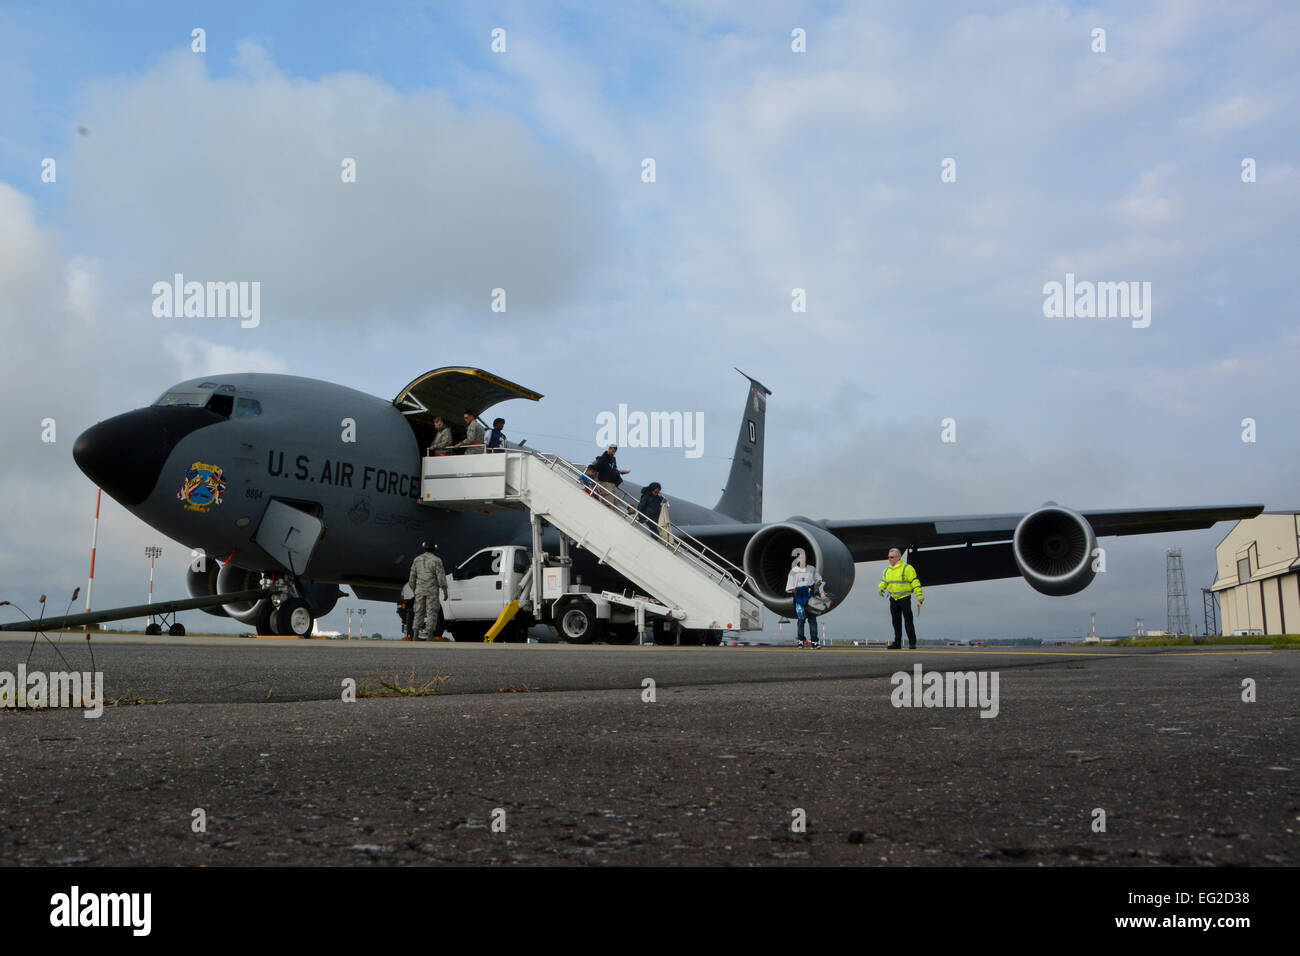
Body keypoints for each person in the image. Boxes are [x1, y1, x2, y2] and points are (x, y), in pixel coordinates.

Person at [879, 547, 923, 649]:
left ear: (898, 558)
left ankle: (912, 643)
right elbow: (884, 582)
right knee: (896, 622)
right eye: (888, 557)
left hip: (905, 598)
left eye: (892, 557)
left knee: (908, 621)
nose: (889, 559)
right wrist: (881, 588)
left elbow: (915, 582)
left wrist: (919, 596)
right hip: (893, 599)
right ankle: (897, 643)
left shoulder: (907, 568)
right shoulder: (887, 571)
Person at [407, 541, 449, 640]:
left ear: (424, 548)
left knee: (418, 612)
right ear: (434, 549)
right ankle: (430, 636)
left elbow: (412, 577)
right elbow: (441, 577)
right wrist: (445, 590)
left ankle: (415, 635)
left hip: (419, 590)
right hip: (432, 591)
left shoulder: (417, 560)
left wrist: (414, 589)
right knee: (432, 612)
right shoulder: (437, 560)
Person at [786, 548, 825, 648]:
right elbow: (789, 587)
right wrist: (798, 592)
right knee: (801, 620)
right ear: (797, 559)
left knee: (812, 620)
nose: (802, 559)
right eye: (800, 558)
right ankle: (800, 641)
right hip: (799, 599)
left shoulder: (811, 569)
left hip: (810, 598)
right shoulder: (793, 571)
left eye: (804, 557)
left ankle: (814, 642)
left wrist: (815, 587)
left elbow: (819, 579)